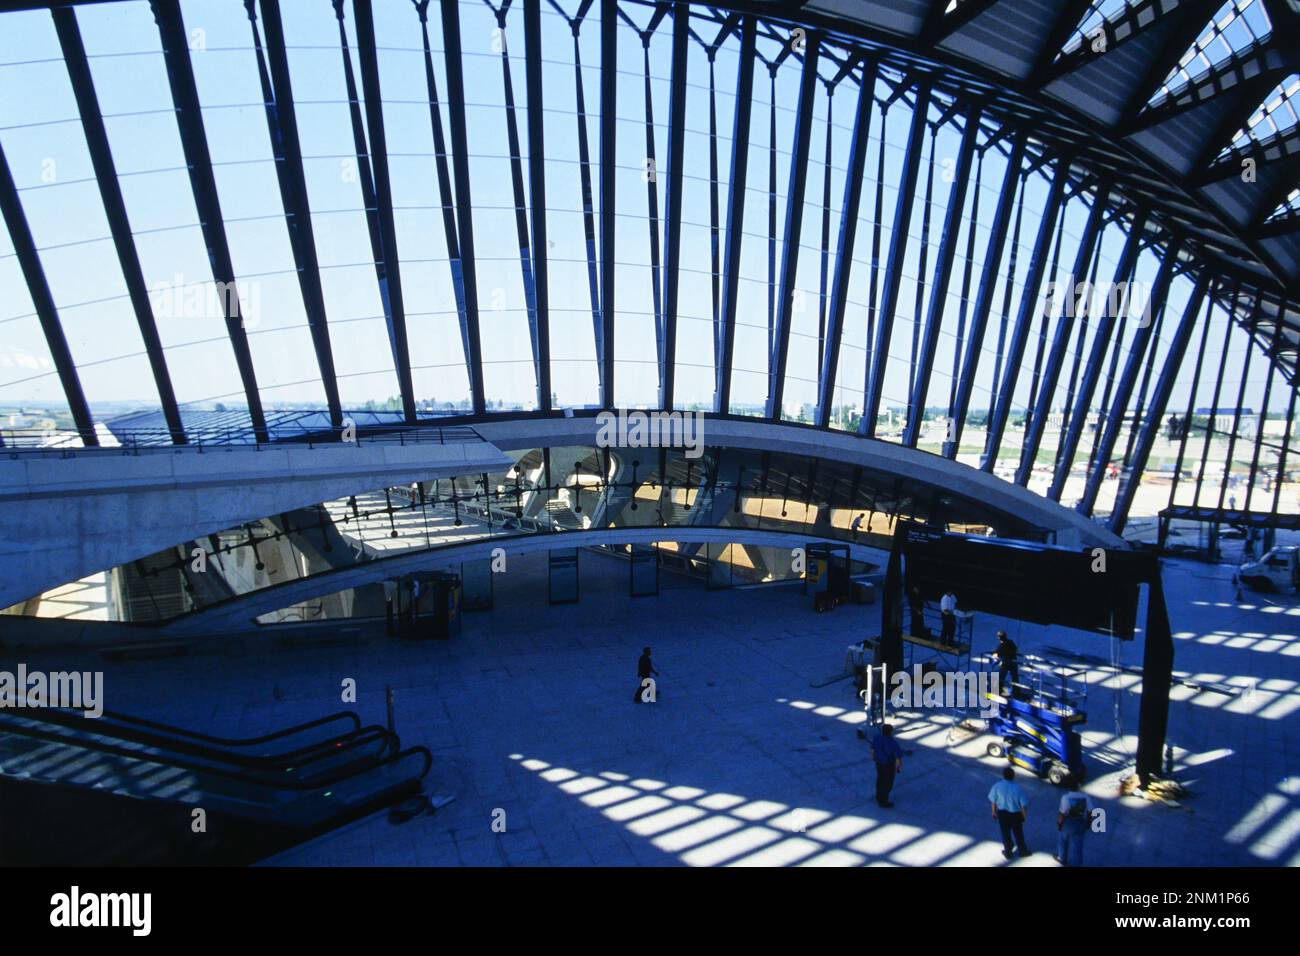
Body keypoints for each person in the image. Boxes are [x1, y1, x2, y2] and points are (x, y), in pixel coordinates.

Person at [988, 766, 1030, 860]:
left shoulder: (997, 786)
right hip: (1015, 815)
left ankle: (1008, 852)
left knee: (1005, 833)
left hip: (1002, 814)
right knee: (1018, 834)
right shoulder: (1018, 788)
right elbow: (1024, 805)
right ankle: (1022, 851)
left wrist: (994, 812)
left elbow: (993, 801)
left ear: (1003, 775)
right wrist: (1024, 816)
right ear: (1013, 776)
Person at [1056, 782, 1093, 867]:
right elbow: (1090, 811)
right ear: (1079, 787)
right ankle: (1076, 864)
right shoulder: (1086, 797)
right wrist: (1088, 823)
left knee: (1062, 841)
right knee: (1077, 846)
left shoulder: (1065, 798)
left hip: (1068, 824)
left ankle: (1062, 858)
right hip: (1080, 823)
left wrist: (1059, 824)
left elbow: (1062, 813)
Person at [870, 723, 903, 808]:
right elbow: (898, 757)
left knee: (880, 779)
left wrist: (873, 757)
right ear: (891, 732)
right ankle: (883, 801)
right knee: (888, 783)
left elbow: (872, 748)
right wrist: (898, 767)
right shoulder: (893, 743)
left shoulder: (877, 737)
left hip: (879, 763)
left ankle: (878, 796)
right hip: (888, 765)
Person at [992, 630, 1019, 696]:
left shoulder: (1002, 645)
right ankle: (1016, 692)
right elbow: (1015, 649)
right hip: (1013, 662)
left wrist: (995, 655)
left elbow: (997, 652)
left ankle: (999, 690)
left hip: (1006, 663)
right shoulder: (1010, 642)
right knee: (1014, 677)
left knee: (1001, 676)